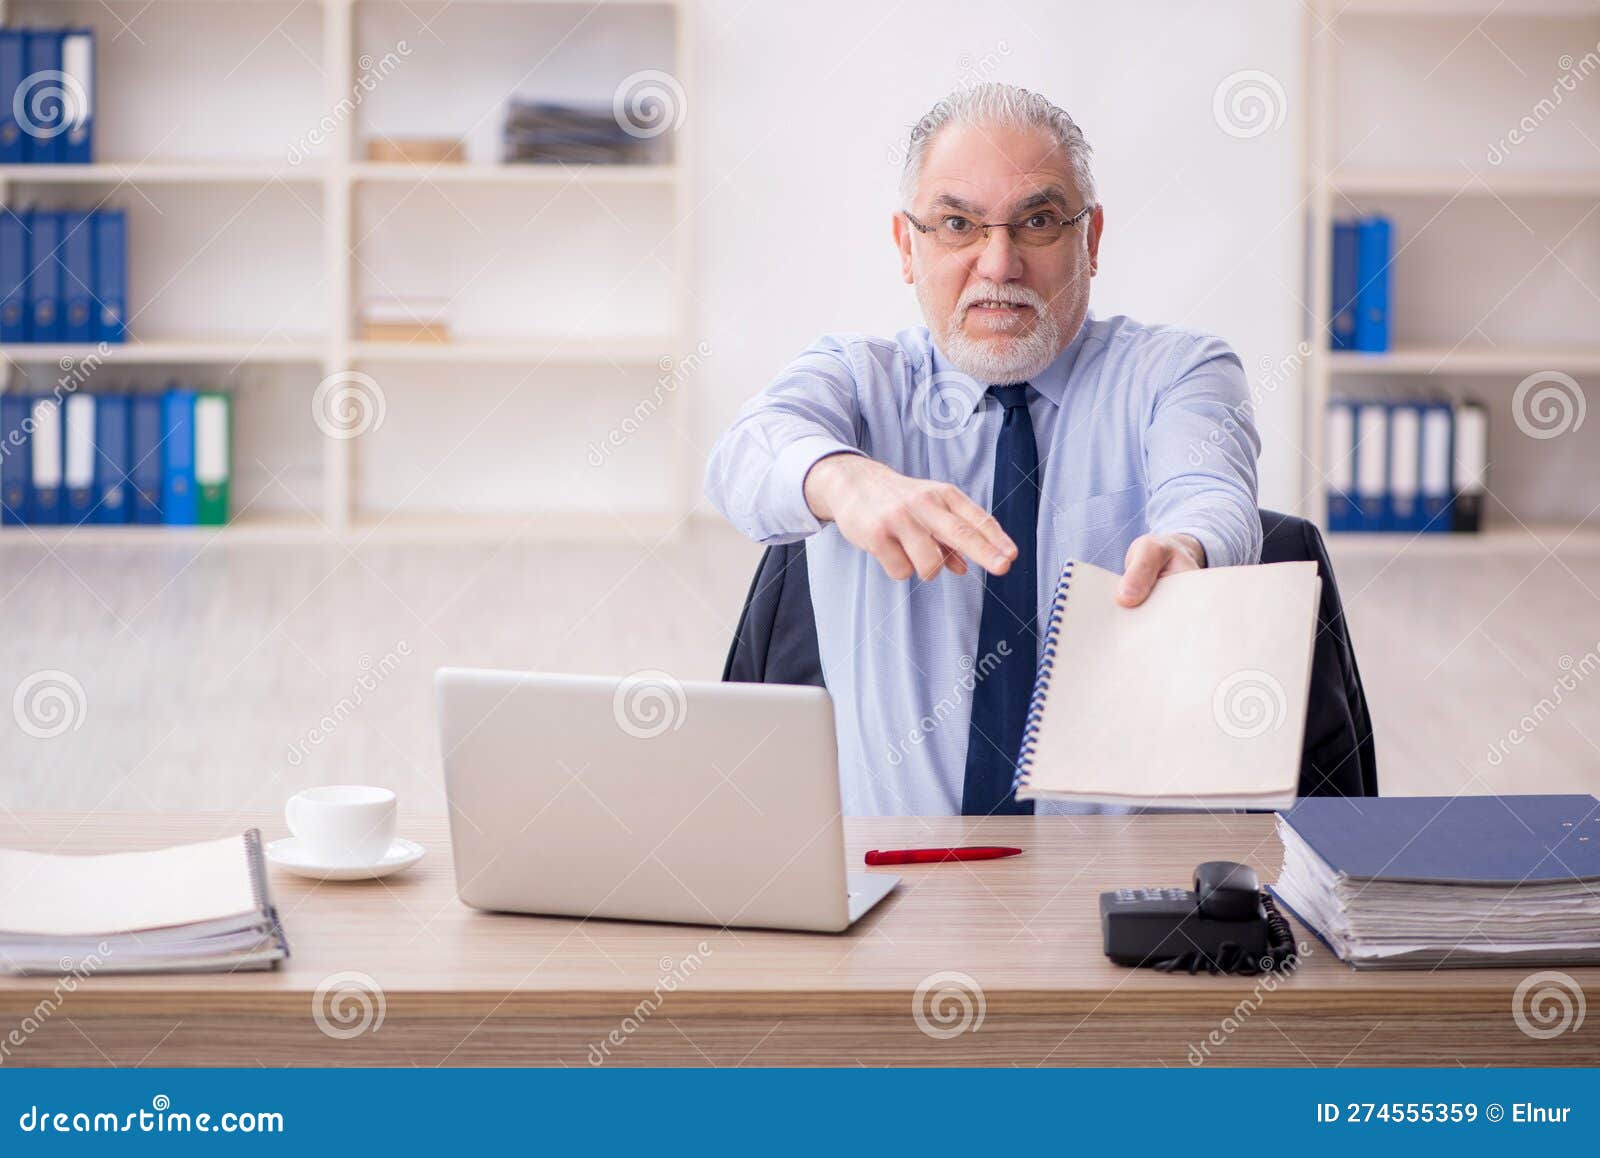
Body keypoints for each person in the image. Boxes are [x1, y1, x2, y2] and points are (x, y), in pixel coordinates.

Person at [704, 83, 1261, 816]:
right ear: (908, 247)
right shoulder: (857, 379)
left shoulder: (1177, 373)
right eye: (958, 223)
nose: (998, 264)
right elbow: (745, 454)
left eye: (1036, 221)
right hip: (894, 887)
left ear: (1089, 241)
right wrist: (845, 479)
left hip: (1112, 888)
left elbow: (1211, 493)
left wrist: (1190, 550)